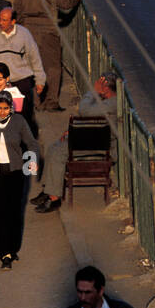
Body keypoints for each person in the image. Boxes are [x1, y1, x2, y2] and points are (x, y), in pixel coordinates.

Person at [34, 73, 117, 214]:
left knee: (58, 152)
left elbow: (84, 110)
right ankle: (48, 189)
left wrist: (93, 92)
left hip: (101, 147)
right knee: (54, 147)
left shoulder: (112, 103)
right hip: (94, 141)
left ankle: (54, 198)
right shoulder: (107, 102)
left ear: (106, 88)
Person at [0, 93, 40, 270]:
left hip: (16, 172)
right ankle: (4, 254)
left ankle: (13, 248)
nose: (2, 112)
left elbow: (32, 143)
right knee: (2, 211)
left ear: (11, 107)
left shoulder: (18, 121)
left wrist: (32, 161)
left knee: (15, 211)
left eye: (5, 108)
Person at [14, 0, 84, 114]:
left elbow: (16, 10)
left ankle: (36, 102)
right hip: (47, 30)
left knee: (31, 66)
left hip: (27, 30)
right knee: (52, 67)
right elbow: (65, 4)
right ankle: (51, 101)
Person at [0, 7, 45, 137]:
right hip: (0, 81)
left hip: (21, 79)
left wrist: (40, 80)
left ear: (13, 21)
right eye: (0, 19)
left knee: (25, 114)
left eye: (4, 20)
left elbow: (34, 58)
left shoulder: (24, 34)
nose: (0, 23)